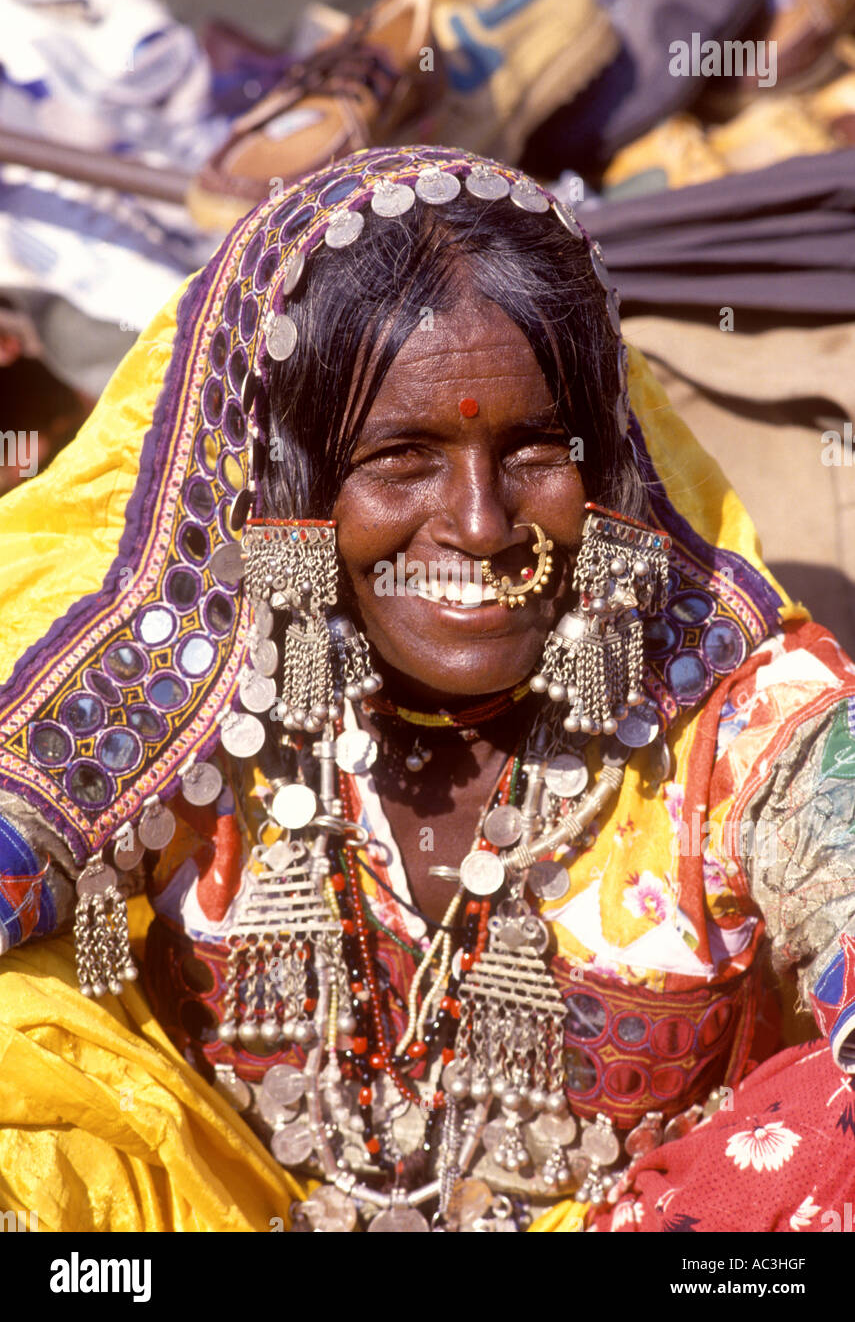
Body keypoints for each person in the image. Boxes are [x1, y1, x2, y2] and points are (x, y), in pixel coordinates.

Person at [0, 144, 853, 1234]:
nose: (483, 524)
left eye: (537, 449)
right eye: (402, 457)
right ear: (290, 482)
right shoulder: (185, 692)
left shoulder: (738, 716)